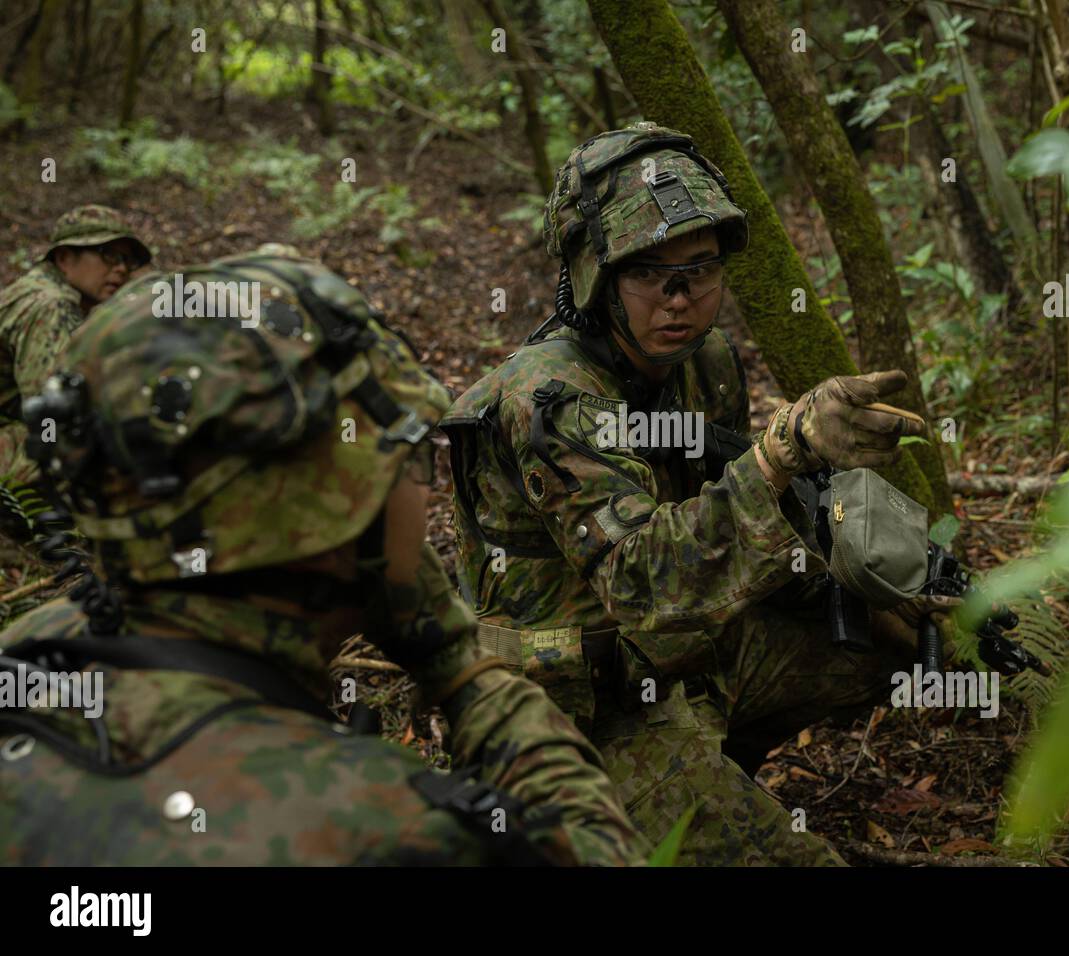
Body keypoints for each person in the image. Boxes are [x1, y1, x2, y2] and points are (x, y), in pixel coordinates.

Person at [0, 251, 645, 866]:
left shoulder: (36, 652)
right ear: (333, 515)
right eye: (408, 459)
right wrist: (463, 668)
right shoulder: (381, 825)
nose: (424, 488)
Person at [441, 123, 958, 866]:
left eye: (702, 270)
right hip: (564, 718)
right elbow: (643, 578)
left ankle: (707, 774)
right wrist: (782, 450)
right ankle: (619, 811)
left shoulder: (699, 363)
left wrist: (879, 588)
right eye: (651, 274)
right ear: (596, 275)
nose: (680, 301)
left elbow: (724, 524)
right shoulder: (549, 399)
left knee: (877, 644)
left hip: (671, 663)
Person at [0, 205, 149, 531]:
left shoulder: (48, 295)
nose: (121, 270)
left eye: (128, 260)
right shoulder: (49, 306)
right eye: (109, 255)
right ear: (65, 259)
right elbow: (55, 415)